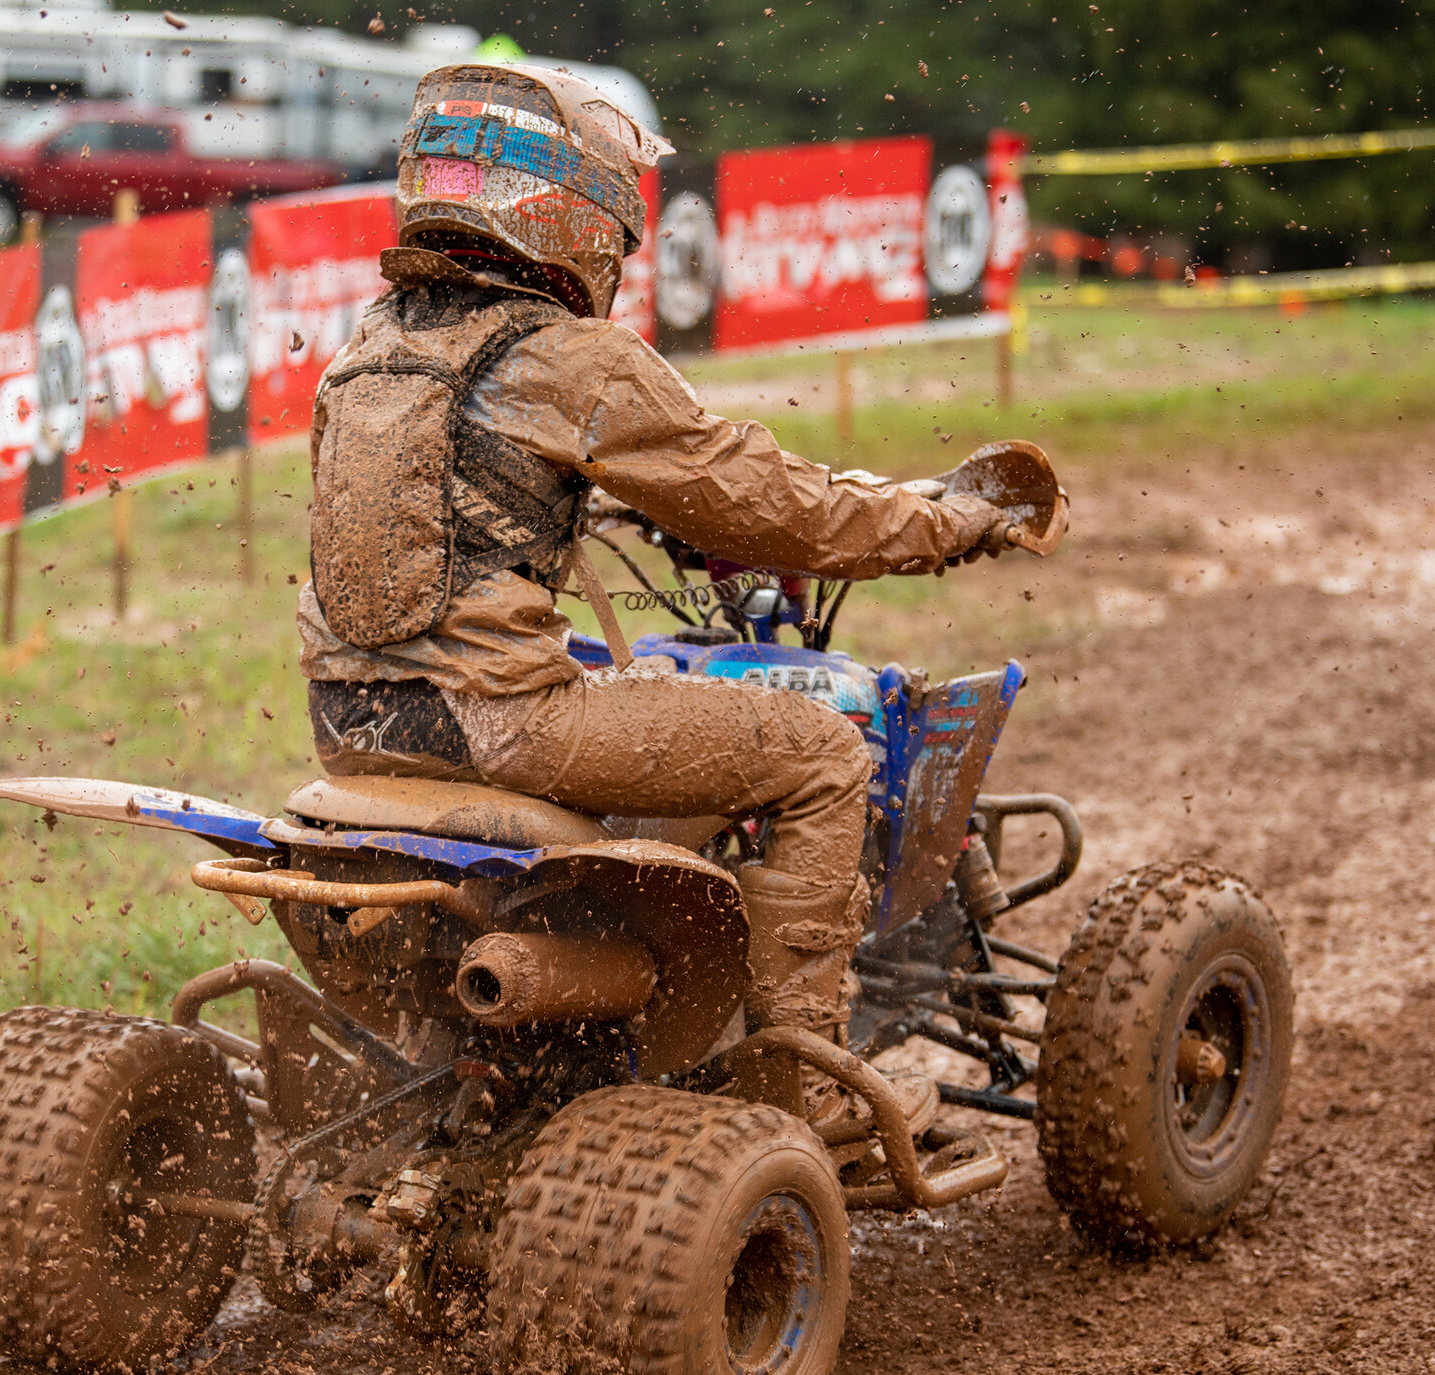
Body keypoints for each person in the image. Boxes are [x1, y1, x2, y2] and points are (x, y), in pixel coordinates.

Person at [299, 61, 1062, 1041]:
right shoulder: (568, 356)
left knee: (641, 692)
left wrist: (610, 509)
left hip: (351, 717)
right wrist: (950, 521)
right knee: (826, 755)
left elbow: (439, 511)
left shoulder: (368, 348)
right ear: (578, 216)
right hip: (501, 721)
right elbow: (770, 507)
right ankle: (799, 1065)